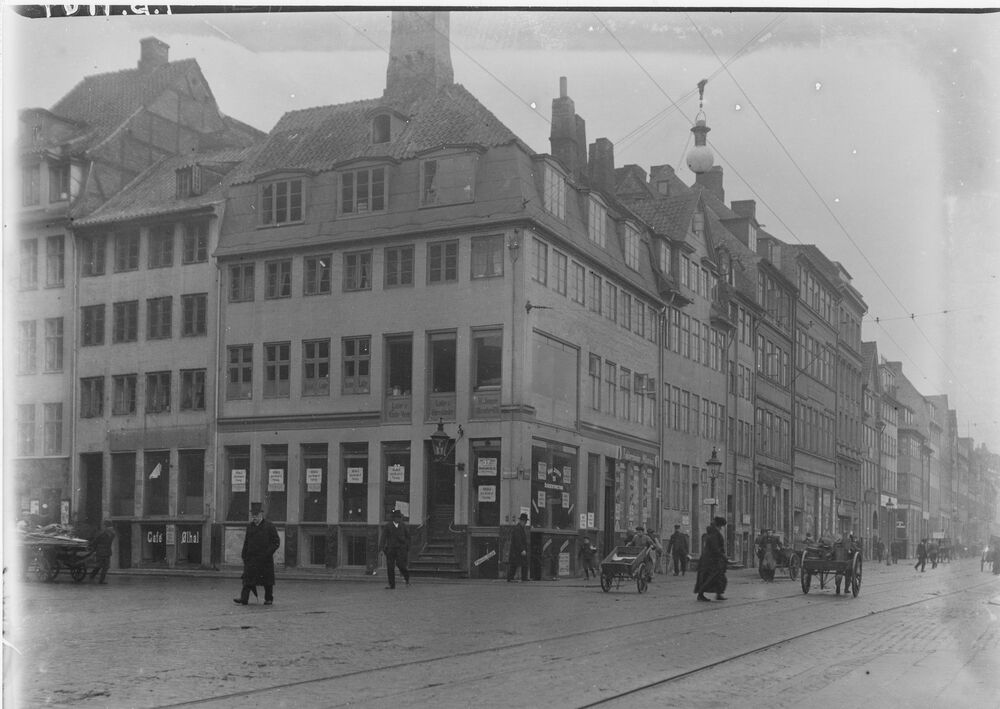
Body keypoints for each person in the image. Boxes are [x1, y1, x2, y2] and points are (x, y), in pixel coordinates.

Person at [234, 502, 280, 605]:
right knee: (247, 579)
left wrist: (268, 553)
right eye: (253, 515)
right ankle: (244, 598)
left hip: (265, 559)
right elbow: (246, 541)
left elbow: (276, 542)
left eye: (256, 515)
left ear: (261, 514)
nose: (254, 517)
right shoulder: (250, 526)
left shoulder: (269, 526)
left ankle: (268, 599)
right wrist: (244, 554)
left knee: (267, 580)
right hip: (251, 558)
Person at [695, 516, 729, 602]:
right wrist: (723, 556)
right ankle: (701, 594)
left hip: (711, 559)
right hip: (711, 560)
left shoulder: (713, 533)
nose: (721, 528)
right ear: (718, 526)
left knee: (719, 578)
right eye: (721, 526)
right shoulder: (714, 534)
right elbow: (715, 548)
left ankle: (718, 594)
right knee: (710, 578)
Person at [380, 508, 411, 589]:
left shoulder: (403, 526)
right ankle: (392, 585)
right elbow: (383, 537)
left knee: (401, 565)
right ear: (393, 518)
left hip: (401, 549)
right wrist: (381, 548)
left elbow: (408, 537)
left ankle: (406, 577)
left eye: (399, 517)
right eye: (397, 517)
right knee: (390, 567)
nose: (398, 519)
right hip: (391, 549)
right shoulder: (388, 526)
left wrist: (406, 546)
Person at [507, 513, 530, 582]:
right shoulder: (518, 529)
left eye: (526, 522)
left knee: (521, 563)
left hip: (517, 550)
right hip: (517, 551)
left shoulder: (520, 528)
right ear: (521, 521)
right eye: (525, 522)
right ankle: (511, 578)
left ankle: (522, 578)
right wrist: (522, 549)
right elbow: (518, 540)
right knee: (515, 564)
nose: (525, 523)